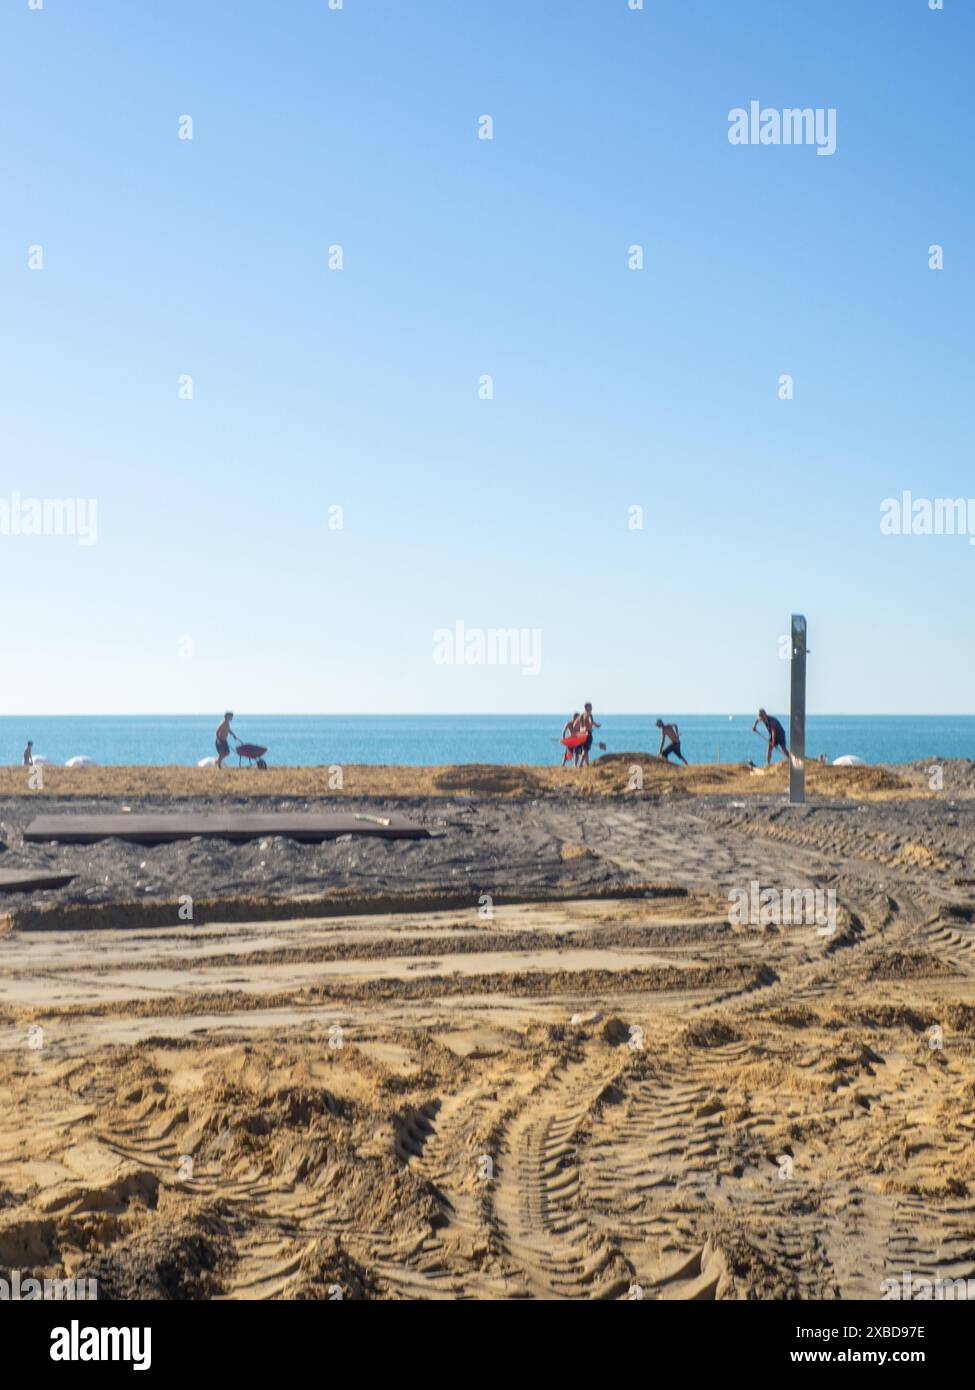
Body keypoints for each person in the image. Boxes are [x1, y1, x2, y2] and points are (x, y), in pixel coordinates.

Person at [579, 702, 600, 768]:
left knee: (585, 750)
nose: (591, 708)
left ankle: (585, 765)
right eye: (590, 706)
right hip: (588, 734)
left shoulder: (581, 715)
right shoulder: (589, 714)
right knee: (585, 750)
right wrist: (596, 725)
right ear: (586, 707)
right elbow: (591, 721)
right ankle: (582, 764)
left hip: (582, 734)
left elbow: (581, 726)